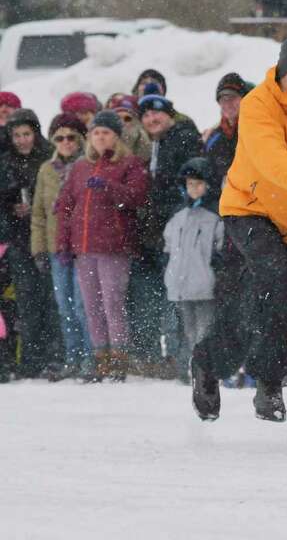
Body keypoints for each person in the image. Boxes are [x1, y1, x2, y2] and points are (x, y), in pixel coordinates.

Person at [190, 34, 287, 423]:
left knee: (262, 294)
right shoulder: (259, 103)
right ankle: (270, 383)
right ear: (282, 73)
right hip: (249, 208)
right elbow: (268, 154)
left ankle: (207, 361)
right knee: (273, 277)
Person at [55, 111, 150, 382]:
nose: (100, 137)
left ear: (116, 137)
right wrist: (62, 244)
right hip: (83, 248)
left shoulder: (129, 164)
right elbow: (65, 207)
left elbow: (137, 197)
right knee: (91, 304)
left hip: (114, 246)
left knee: (112, 302)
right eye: (96, 132)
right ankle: (101, 358)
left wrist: (109, 186)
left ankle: (120, 356)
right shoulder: (81, 167)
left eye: (106, 132)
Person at [133, 90, 201, 378]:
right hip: (163, 234)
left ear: (170, 115)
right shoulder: (160, 144)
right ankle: (177, 358)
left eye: (157, 113)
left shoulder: (181, 138)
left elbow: (189, 187)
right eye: (146, 115)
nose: (152, 118)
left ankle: (185, 360)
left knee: (180, 299)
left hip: (181, 233)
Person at [32, 114, 90, 379]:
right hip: (57, 248)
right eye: (59, 138)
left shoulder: (88, 165)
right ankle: (73, 356)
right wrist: (39, 249)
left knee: (82, 305)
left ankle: (90, 357)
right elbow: (39, 214)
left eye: (71, 137)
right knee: (64, 306)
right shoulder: (47, 169)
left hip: (82, 245)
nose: (66, 142)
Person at [0, 109, 57, 378]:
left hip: (46, 237)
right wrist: (12, 208)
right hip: (18, 240)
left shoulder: (48, 158)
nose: (22, 140)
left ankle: (54, 355)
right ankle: (32, 359)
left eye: (26, 134)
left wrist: (35, 205)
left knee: (51, 297)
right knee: (27, 299)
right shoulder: (5, 163)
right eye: (17, 135)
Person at [163, 158, 223, 385]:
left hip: (205, 284)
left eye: (198, 184)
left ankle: (206, 369)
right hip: (181, 284)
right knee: (188, 330)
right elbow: (169, 247)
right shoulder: (178, 216)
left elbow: (220, 250)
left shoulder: (215, 217)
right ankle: (191, 367)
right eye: (189, 184)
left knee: (205, 330)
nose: (194, 189)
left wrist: (216, 274)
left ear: (208, 185)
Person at [203, 73, 251, 189]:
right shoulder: (213, 137)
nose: (227, 104)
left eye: (232, 97)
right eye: (223, 99)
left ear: (244, 98)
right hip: (223, 202)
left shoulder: (256, 129)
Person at [106, 94, 151, 160]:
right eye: (117, 118)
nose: (122, 122)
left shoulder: (146, 146)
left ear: (136, 122)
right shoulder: (102, 143)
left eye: (127, 119)